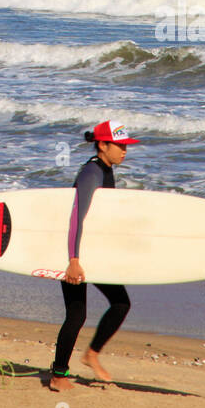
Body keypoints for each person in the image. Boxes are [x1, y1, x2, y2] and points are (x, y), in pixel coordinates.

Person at [48, 120, 140, 389]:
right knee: (76, 315)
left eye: (126, 146)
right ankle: (58, 375)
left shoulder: (107, 170)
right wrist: (73, 260)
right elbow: (77, 216)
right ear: (102, 145)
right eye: (119, 145)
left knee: (120, 303)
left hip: (94, 252)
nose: (124, 151)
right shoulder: (92, 172)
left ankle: (92, 353)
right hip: (74, 253)